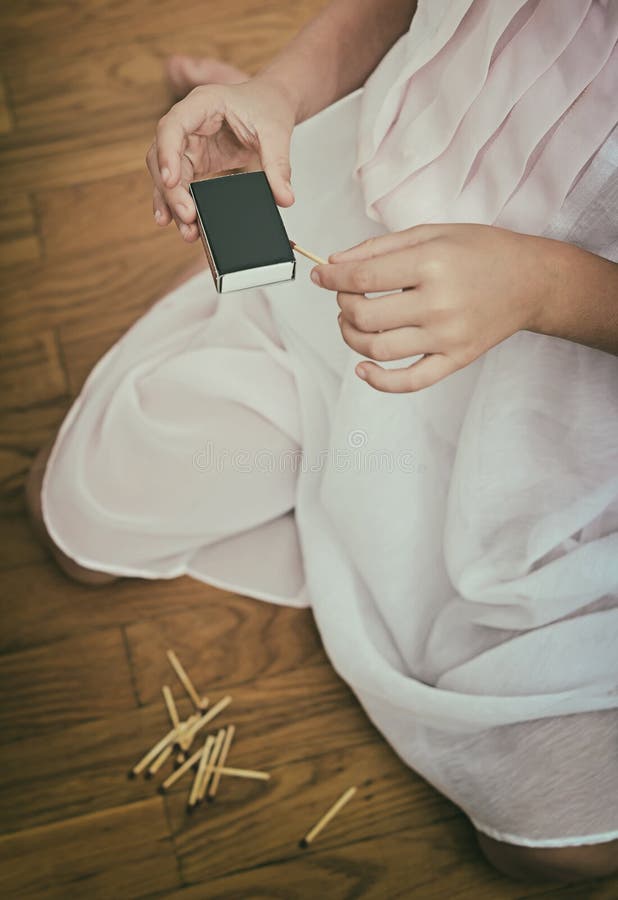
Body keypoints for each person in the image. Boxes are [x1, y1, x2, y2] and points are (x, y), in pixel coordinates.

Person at [28, 0, 618, 882]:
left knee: (553, 850)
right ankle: (326, 458)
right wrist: (282, 90)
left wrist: (545, 286)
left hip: (552, 434)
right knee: (71, 525)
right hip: (340, 277)